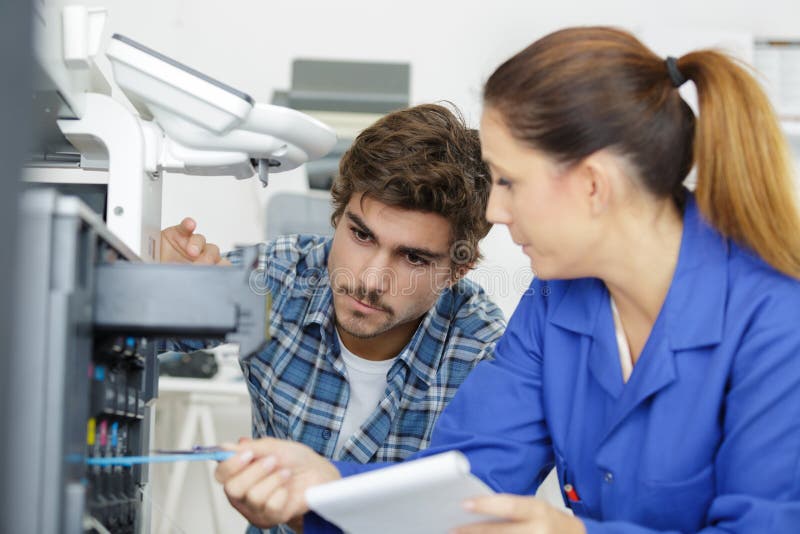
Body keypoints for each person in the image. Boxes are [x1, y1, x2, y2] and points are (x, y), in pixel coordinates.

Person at [213, 26, 800, 533]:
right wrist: (321, 485)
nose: (493, 212)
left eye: (510, 182)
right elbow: (468, 479)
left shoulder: (775, 323)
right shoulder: (557, 300)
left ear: (593, 186)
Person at [160, 103, 506, 532]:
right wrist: (155, 283)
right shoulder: (279, 276)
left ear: (458, 268)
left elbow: (472, 517)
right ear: (337, 215)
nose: (370, 280)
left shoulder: (484, 355)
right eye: (361, 235)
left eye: (413, 257)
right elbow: (124, 338)